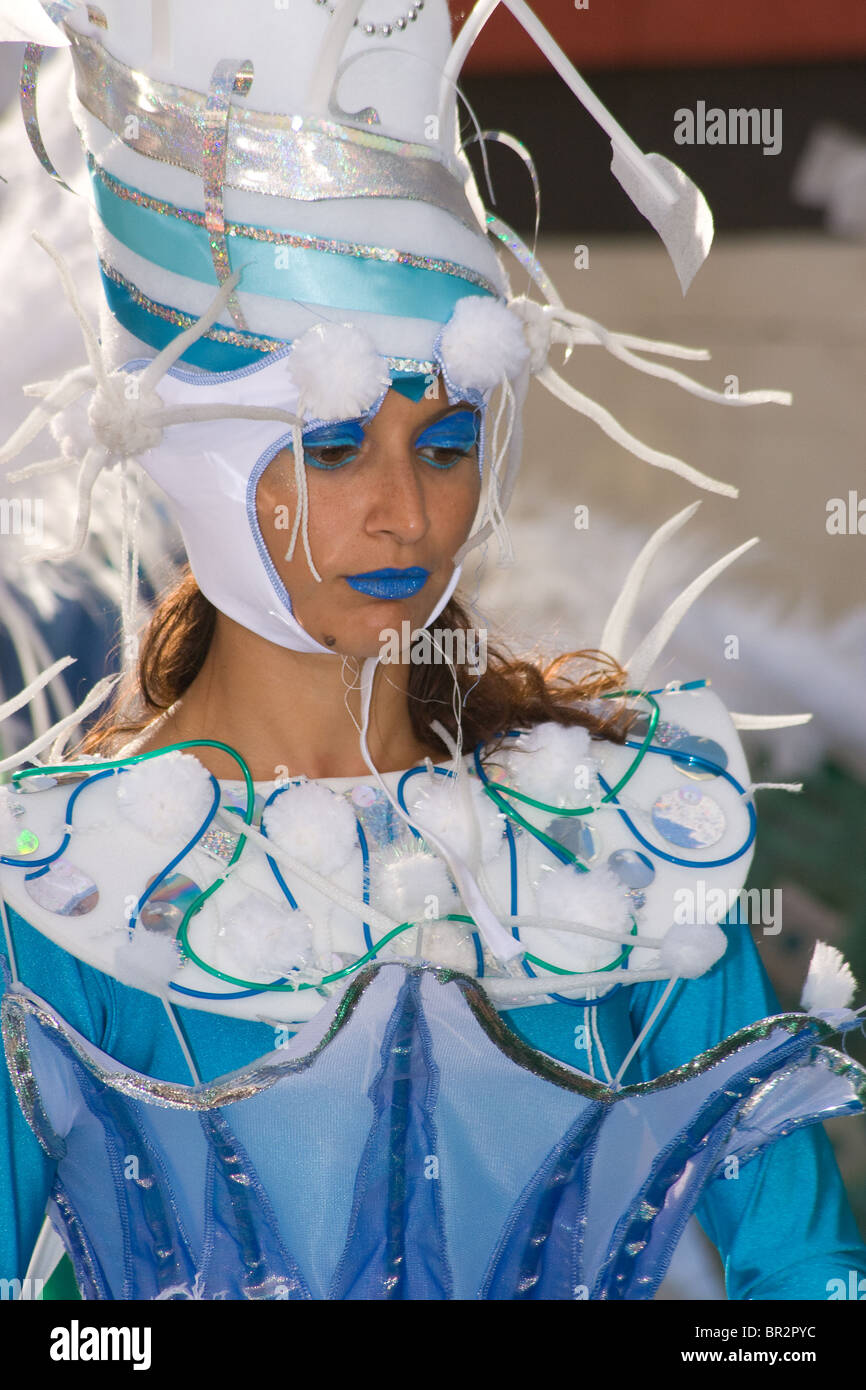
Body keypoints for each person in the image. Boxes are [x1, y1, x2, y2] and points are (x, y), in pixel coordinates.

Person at [0, 0, 864, 1302]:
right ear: (199, 461)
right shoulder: (65, 891)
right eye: (335, 446)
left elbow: (809, 1273)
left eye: (445, 444)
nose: (403, 512)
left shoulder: (614, 836)